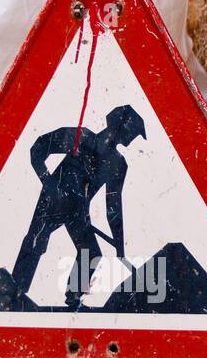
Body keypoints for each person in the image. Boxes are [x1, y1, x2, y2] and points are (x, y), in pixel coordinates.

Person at [11, 104, 146, 308]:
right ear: (122, 128)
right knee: (36, 240)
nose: (132, 137)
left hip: (77, 210)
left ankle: (73, 299)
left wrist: (119, 245)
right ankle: (15, 292)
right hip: (51, 201)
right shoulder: (81, 137)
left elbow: (113, 207)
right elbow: (38, 148)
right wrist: (49, 184)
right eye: (133, 131)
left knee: (91, 253)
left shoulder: (118, 164)